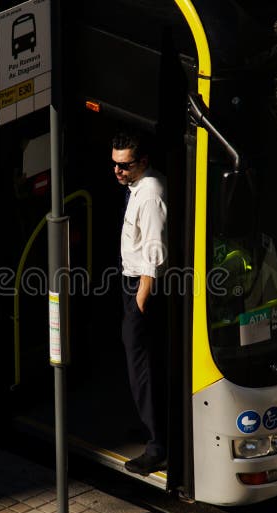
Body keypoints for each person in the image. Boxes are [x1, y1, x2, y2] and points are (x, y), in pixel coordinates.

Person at [111, 131, 168, 475]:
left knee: (142, 368)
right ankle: (151, 428)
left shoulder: (150, 195)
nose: (118, 171)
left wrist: (139, 304)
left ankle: (157, 444)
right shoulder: (139, 186)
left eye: (125, 165)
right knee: (143, 365)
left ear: (143, 162)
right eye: (115, 164)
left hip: (141, 288)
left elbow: (154, 254)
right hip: (132, 284)